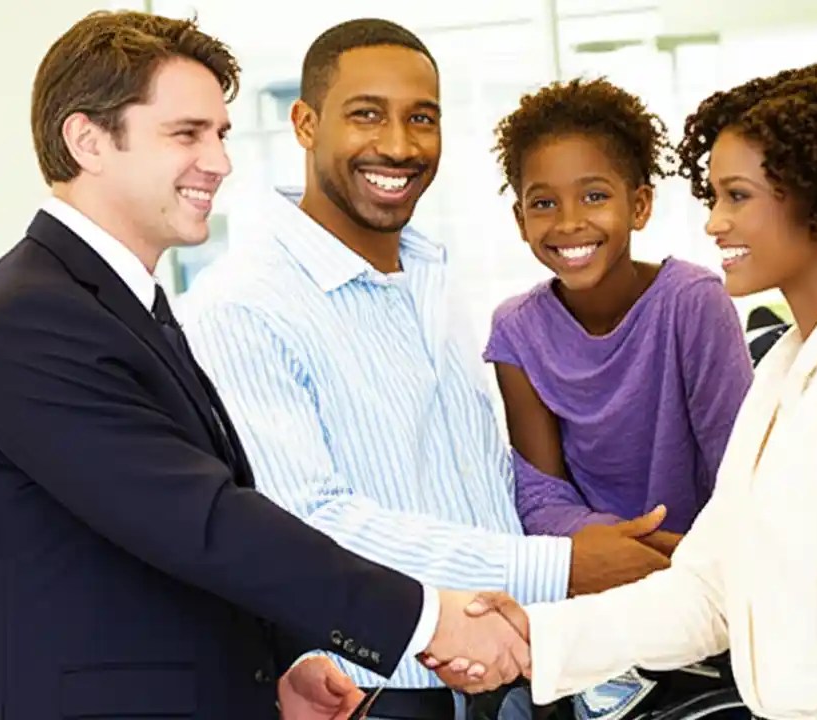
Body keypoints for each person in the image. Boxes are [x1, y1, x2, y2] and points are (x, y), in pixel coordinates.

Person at [0, 12, 525, 720]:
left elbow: (167, 537)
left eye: (220, 133)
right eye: (186, 134)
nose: (219, 161)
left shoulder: (123, 302)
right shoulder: (33, 318)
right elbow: (205, 521)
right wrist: (426, 619)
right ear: (87, 140)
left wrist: (282, 662)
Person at [438, 64, 817, 720]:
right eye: (714, 197)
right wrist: (535, 637)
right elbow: (710, 591)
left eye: (737, 196)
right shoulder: (788, 371)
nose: (714, 224)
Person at [177, 19, 670, 720]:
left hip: (509, 682)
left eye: (422, 118)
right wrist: (564, 567)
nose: (400, 145)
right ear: (306, 123)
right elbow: (312, 523)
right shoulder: (240, 305)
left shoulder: (428, 274)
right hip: (376, 699)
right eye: (367, 114)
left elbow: (475, 480)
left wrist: (592, 541)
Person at [484, 78, 753, 549]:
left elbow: (740, 474)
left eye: (594, 196)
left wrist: (681, 557)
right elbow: (542, 497)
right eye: (544, 203)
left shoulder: (692, 302)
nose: (568, 223)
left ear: (640, 205)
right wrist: (621, 549)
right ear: (520, 220)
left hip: (707, 564)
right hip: (594, 570)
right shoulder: (517, 330)